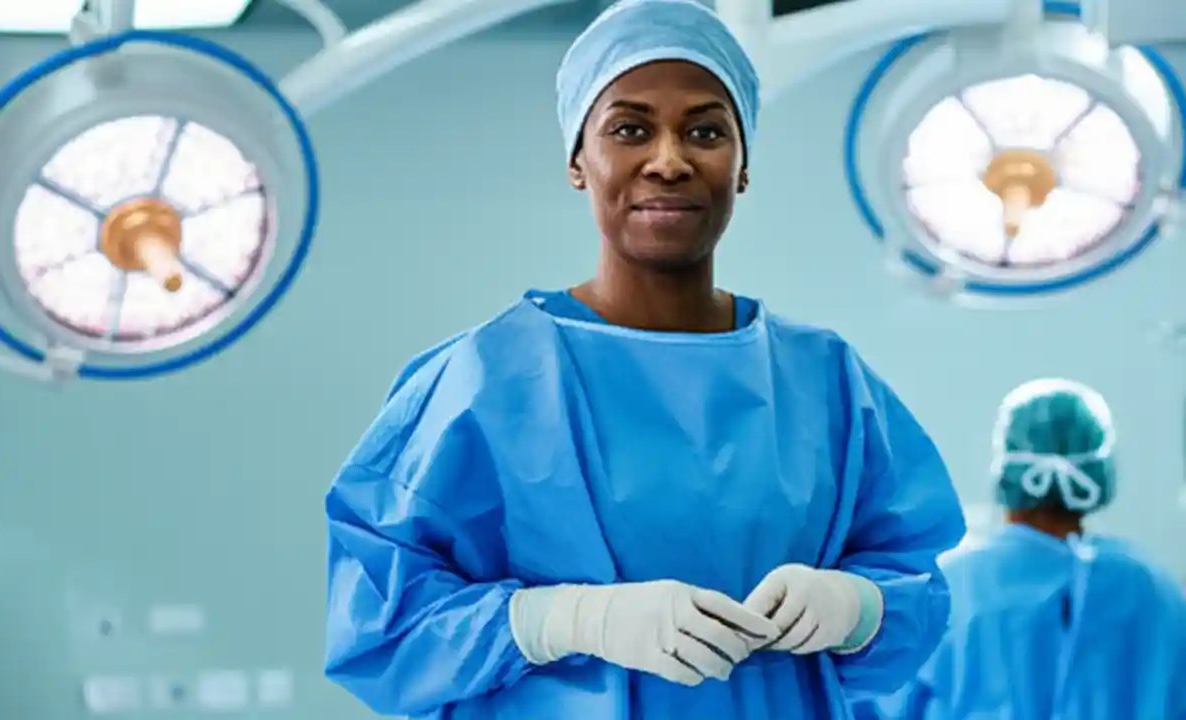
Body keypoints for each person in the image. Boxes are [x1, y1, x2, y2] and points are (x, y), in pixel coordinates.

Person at [321, 0, 966, 717]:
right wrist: (563, 621)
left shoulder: (826, 383)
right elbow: (384, 629)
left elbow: (916, 584)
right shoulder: (482, 382)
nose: (668, 160)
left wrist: (858, 605)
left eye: (706, 131)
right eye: (630, 129)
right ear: (577, 161)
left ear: (742, 164)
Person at [854, 378, 1186, 720]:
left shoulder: (947, 590)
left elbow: (868, 703)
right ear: (1100, 470)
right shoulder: (1157, 594)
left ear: (1006, 470)